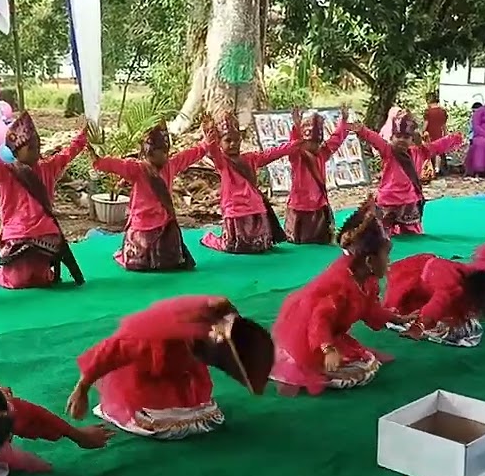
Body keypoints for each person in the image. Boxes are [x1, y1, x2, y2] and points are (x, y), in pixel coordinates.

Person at [65, 296, 275, 439]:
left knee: (207, 417)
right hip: (147, 380)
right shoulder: (148, 338)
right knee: (165, 424)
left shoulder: (218, 319)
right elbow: (107, 353)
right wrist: (81, 388)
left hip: (184, 376)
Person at [270, 202, 414, 395]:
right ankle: (307, 363)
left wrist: (398, 319)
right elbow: (319, 320)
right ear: (369, 261)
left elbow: (371, 309)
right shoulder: (339, 286)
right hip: (309, 332)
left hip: (332, 333)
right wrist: (328, 349)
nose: (389, 262)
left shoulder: (367, 281)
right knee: (357, 372)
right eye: (385, 256)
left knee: (366, 365)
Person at [0, 111, 90, 288]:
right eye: (31, 147)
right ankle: (0, 273)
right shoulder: (4, 172)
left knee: (42, 279)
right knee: (17, 282)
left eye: (38, 145)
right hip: (17, 234)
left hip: (44, 232)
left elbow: (69, 153)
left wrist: (85, 134)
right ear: (16, 151)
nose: (37, 150)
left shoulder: (48, 167)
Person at [90, 124, 205, 271]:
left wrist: (205, 144)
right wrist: (99, 161)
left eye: (166, 151)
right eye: (160, 152)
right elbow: (117, 165)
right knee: (139, 263)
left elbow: (188, 156)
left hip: (163, 223)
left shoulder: (170, 165)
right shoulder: (138, 169)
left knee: (170, 260)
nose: (165, 155)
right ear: (149, 153)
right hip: (141, 223)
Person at [198, 111, 298, 253]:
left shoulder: (251, 158)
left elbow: (273, 153)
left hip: (256, 208)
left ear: (240, 140)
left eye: (236, 140)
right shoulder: (222, 162)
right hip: (235, 211)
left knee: (260, 246)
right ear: (220, 142)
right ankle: (210, 239)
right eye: (227, 140)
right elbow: (212, 151)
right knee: (234, 246)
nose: (233, 144)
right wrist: (209, 135)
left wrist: (293, 144)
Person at [354, 113, 463, 235]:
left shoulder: (420, 152)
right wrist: (362, 130)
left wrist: (455, 138)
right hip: (388, 200)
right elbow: (376, 140)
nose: (401, 140)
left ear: (412, 139)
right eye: (398, 136)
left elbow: (438, 146)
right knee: (382, 234)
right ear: (391, 138)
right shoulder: (388, 151)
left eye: (406, 137)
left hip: (409, 201)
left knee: (413, 235)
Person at [282, 106, 349, 244]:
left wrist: (344, 122)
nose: (313, 146)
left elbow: (336, 140)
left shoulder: (322, 153)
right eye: (309, 142)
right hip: (299, 204)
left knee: (320, 237)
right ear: (302, 141)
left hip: (318, 204)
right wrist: (296, 126)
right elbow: (293, 143)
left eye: (316, 142)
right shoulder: (297, 155)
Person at [424, 92, 450, 174]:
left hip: (430, 133)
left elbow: (426, 123)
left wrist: (422, 132)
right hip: (439, 132)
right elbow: (444, 125)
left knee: (430, 150)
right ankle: (438, 168)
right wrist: (446, 134)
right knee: (438, 151)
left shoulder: (428, 112)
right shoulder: (443, 111)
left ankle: (430, 168)